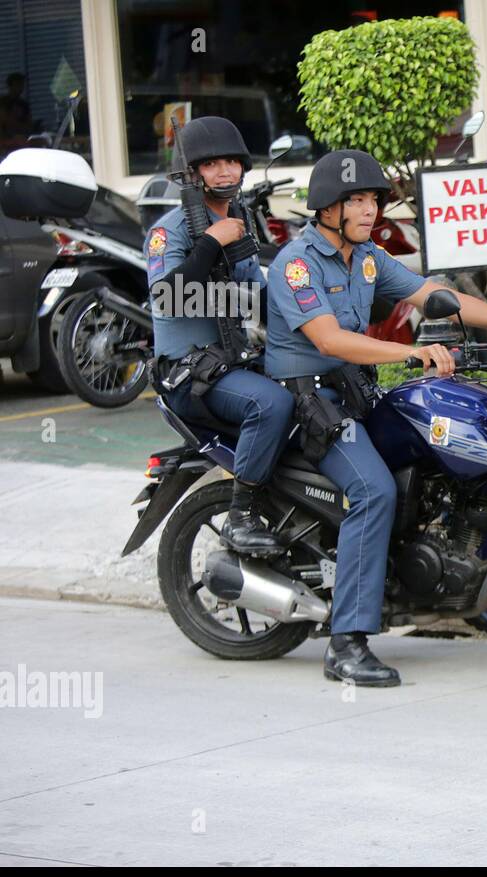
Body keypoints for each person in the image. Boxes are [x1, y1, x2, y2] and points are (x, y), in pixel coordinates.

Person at [265, 148, 487, 688]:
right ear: (327, 209)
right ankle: (347, 644)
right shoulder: (296, 264)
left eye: (373, 199)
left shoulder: (365, 256)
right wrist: (411, 354)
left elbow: (435, 292)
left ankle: (441, 584)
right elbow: (330, 339)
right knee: (374, 491)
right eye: (356, 200)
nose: (369, 210)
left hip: (354, 391)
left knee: (433, 449)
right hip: (309, 400)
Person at [147, 116, 295, 557]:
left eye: (233, 161)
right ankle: (241, 517)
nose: (226, 171)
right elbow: (170, 298)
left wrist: (322, 330)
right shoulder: (167, 232)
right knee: (272, 403)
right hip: (188, 374)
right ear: (191, 174)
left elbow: (256, 300)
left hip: (232, 362)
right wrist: (210, 242)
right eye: (212, 164)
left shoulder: (239, 222)